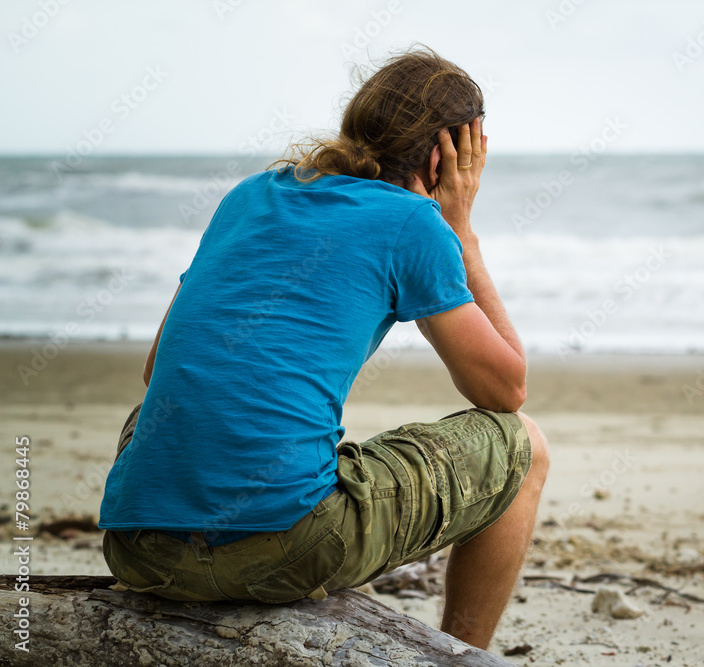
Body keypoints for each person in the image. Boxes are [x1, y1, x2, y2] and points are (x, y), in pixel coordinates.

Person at [97, 47, 549, 650]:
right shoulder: (414, 223)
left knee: (165, 412)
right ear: (447, 155)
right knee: (525, 448)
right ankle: (464, 656)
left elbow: (159, 373)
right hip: (286, 547)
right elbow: (506, 391)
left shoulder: (249, 196)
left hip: (137, 547)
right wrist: (461, 232)